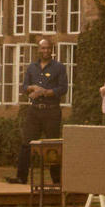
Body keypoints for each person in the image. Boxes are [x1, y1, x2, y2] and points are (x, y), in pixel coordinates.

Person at [9, 38, 68, 185]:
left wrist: (45, 92)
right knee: (26, 143)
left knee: (53, 146)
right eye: (43, 48)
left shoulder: (59, 67)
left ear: (52, 50)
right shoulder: (32, 67)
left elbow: (63, 88)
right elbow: (24, 87)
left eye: (48, 48)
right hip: (34, 111)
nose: (45, 51)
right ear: (38, 49)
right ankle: (21, 177)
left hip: (51, 111)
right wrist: (32, 88)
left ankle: (56, 180)